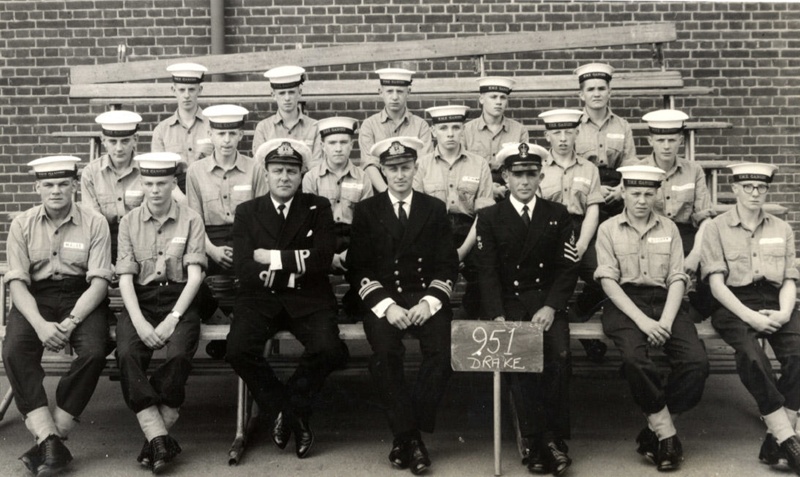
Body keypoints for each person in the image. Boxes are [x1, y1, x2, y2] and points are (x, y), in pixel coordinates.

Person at [226, 138, 348, 460]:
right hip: (259, 298)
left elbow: (323, 259)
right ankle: (289, 410)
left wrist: (272, 258)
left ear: (301, 174)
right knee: (237, 349)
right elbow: (243, 266)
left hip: (308, 299)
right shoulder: (248, 212)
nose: (284, 177)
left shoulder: (317, 207)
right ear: (265, 173)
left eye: (291, 171)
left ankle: (288, 407)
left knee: (329, 348)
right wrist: (293, 263)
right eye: (277, 170)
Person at [347, 136, 459, 475]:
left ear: (415, 168)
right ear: (382, 170)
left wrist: (430, 301)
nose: (399, 175)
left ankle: (406, 434)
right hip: (385, 300)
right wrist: (386, 306)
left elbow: (447, 265)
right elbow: (359, 267)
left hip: (424, 298)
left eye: (405, 168)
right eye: (392, 169)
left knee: (441, 352)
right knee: (385, 355)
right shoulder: (367, 210)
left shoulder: (433, 208)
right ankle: (412, 439)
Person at [475, 142, 580, 476]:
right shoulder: (489, 217)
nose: (524, 181)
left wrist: (551, 306)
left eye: (530, 174)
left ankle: (553, 439)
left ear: (541, 176)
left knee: (560, 357)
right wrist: (497, 315)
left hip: (546, 303)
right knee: (521, 364)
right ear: (505, 177)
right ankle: (537, 442)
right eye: (517, 174)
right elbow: (487, 272)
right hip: (510, 304)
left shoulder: (557, 215)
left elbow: (567, 268)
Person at [594, 165, 709, 472]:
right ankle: (668, 435)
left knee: (697, 362)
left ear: (657, 194)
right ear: (623, 194)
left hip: (666, 304)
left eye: (648, 193)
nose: (642, 200)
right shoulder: (607, 229)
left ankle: (654, 431)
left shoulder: (669, 228)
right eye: (635, 193)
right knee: (634, 359)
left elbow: (677, 278)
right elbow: (608, 282)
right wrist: (645, 323)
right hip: (625, 304)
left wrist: (667, 322)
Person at [3, 156, 113, 477]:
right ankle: (49, 437)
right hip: (35, 298)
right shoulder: (21, 224)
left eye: (63, 184)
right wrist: (39, 325)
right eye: (48, 184)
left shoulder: (95, 223)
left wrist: (71, 322)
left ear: (75, 186)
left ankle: (54, 435)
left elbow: (99, 283)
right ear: (37, 187)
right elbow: (17, 284)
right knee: (13, 351)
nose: (56, 191)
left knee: (94, 350)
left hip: (82, 297)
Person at [701, 162, 800, 473]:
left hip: (776, 300)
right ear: (735, 190)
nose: (755, 193)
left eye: (761, 187)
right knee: (751, 356)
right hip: (734, 304)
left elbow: (788, 280)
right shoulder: (716, 227)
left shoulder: (781, 228)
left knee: (799, 353)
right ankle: (787, 436)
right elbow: (716, 286)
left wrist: (785, 312)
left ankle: (775, 438)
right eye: (748, 187)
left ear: (767, 190)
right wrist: (751, 318)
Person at [114, 152, 207, 473]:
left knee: (179, 355)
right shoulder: (128, 222)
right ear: (141, 183)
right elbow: (125, 278)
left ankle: (154, 439)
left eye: (162, 183)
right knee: (126, 352)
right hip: (139, 299)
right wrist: (139, 322)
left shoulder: (191, 218)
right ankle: (159, 438)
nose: (155, 190)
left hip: (179, 298)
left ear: (173, 183)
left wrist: (173, 319)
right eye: (149, 183)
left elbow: (195, 276)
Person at [538, 108, 608, 362]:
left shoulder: (589, 168)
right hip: (548, 231)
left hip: (581, 230)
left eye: (569, 132)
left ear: (577, 133)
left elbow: (593, 209)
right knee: (548, 281)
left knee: (603, 278)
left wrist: (581, 243)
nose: (564, 138)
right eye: (557, 133)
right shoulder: (539, 167)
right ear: (547, 136)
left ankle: (578, 314)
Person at [413, 104, 493, 320]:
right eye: (444, 128)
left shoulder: (479, 164)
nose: (450, 133)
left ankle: (468, 317)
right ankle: (437, 319)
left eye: (456, 127)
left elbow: (484, 215)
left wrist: (463, 250)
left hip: (470, 231)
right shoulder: (420, 165)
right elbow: (417, 212)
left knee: (485, 273)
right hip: (434, 232)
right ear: (433, 131)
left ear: (463, 130)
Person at [639, 109, 716, 319]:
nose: (666, 146)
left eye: (671, 140)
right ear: (650, 140)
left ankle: (689, 316)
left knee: (711, 270)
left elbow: (705, 218)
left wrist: (695, 255)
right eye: (660, 139)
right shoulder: (638, 170)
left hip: (685, 234)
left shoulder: (694, 170)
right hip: (650, 233)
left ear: (681, 140)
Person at [301, 116, 373, 318]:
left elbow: (367, 223)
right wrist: (327, 254)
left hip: (354, 239)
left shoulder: (363, 177)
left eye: (343, 142)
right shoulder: (311, 178)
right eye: (332, 143)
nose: (338, 148)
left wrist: (350, 252)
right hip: (322, 237)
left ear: (352, 145)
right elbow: (309, 222)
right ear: (323, 145)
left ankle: (354, 305)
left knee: (365, 280)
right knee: (314, 287)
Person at [186, 104, 269, 276]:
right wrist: (212, 251)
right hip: (209, 242)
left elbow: (263, 218)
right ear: (210, 135)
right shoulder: (195, 171)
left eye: (232, 133)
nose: (226, 140)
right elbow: (194, 220)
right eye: (221, 133)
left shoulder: (256, 168)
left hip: (247, 240)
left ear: (241, 135)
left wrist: (245, 251)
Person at [573, 63, 638, 220]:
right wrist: (593, 190)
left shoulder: (622, 125)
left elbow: (630, 163)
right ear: (581, 94)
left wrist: (621, 189)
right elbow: (570, 167)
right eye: (590, 89)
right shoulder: (573, 125)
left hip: (616, 191)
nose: (597, 94)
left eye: (601, 89)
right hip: (585, 189)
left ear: (610, 92)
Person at [81, 110, 145, 262]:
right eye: (112, 141)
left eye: (125, 141)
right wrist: (104, 261)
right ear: (103, 140)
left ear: (135, 139)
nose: (119, 148)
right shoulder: (91, 173)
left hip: (140, 239)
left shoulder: (147, 170)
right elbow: (94, 222)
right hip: (104, 239)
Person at [358, 68, 434, 194]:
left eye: (399, 91)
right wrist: (388, 196)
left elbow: (423, 165)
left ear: (408, 92)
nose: (394, 97)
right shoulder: (369, 125)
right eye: (389, 91)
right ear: (380, 92)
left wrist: (409, 197)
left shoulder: (421, 125)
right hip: (380, 194)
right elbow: (369, 165)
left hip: (414, 193)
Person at [463, 76, 529, 200]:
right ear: (481, 99)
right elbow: (462, 169)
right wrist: (487, 188)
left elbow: (523, 167)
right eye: (493, 97)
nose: (499, 102)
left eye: (503, 97)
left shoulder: (519, 130)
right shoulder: (466, 131)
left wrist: (507, 188)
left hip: (511, 194)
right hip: (476, 194)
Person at [151, 63, 214, 193]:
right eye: (181, 90)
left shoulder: (213, 125)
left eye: (191, 89)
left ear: (200, 90)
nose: (186, 95)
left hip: (208, 190)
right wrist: (183, 201)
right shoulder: (162, 130)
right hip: (174, 194)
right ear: (173, 90)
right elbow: (160, 173)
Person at [252, 65, 322, 170]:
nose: (287, 98)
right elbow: (259, 166)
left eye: (291, 92)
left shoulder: (315, 127)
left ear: (300, 93)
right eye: (282, 93)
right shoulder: (263, 128)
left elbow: (316, 167)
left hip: (306, 185)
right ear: (273, 95)